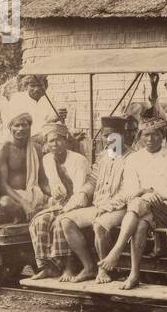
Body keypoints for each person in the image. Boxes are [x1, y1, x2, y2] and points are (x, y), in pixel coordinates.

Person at [97, 117, 167, 289]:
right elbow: (131, 190)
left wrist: (152, 193)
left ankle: (116, 251)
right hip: (142, 211)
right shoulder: (135, 158)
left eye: (155, 135)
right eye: (146, 135)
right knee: (140, 224)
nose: (150, 139)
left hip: (166, 209)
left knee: (138, 204)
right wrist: (144, 193)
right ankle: (134, 273)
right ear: (140, 136)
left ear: (163, 135)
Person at [58, 121, 137, 282]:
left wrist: (109, 206)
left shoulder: (132, 157)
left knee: (100, 225)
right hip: (99, 204)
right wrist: (83, 193)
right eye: (106, 136)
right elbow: (92, 180)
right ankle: (89, 267)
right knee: (66, 220)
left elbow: (130, 190)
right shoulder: (103, 156)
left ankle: (103, 270)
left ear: (122, 136)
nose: (109, 140)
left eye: (114, 136)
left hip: (122, 207)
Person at [28, 123, 91, 279]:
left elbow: (80, 191)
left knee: (59, 223)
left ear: (66, 140)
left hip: (81, 203)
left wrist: (65, 208)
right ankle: (49, 266)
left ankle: (69, 267)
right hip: (62, 203)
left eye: (58, 140)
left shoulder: (78, 160)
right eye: (50, 141)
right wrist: (55, 193)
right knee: (39, 221)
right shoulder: (48, 159)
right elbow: (54, 184)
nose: (54, 145)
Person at [0, 112, 49, 223]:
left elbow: (43, 180)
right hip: (14, 197)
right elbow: (2, 184)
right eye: (17, 125)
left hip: (35, 194)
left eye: (24, 125)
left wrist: (56, 194)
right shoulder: (4, 149)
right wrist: (23, 203)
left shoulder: (36, 149)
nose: (20, 129)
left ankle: (33, 214)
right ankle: (29, 214)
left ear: (29, 128)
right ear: (10, 128)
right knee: (5, 203)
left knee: (56, 202)